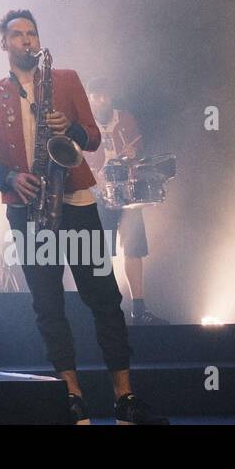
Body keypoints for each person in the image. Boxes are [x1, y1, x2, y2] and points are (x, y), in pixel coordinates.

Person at [0, 10, 165, 424]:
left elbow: (93, 136)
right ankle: (72, 396)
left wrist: (71, 129)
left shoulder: (66, 79)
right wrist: (9, 177)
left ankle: (125, 398)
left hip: (75, 200)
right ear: (3, 44)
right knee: (48, 303)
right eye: (17, 35)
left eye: (32, 33)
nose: (26, 40)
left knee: (106, 300)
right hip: (28, 209)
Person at [84, 77, 168, 326]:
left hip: (129, 192)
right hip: (99, 193)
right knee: (102, 252)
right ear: (89, 98)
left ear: (111, 97)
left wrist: (135, 154)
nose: (100, 100)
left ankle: (138, 309)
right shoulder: (85, 125)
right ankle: (103, 308)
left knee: (134, 250)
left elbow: (139, 148)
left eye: (104, 95)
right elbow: (75, 157)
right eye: (95, 96)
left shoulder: (126, 119)